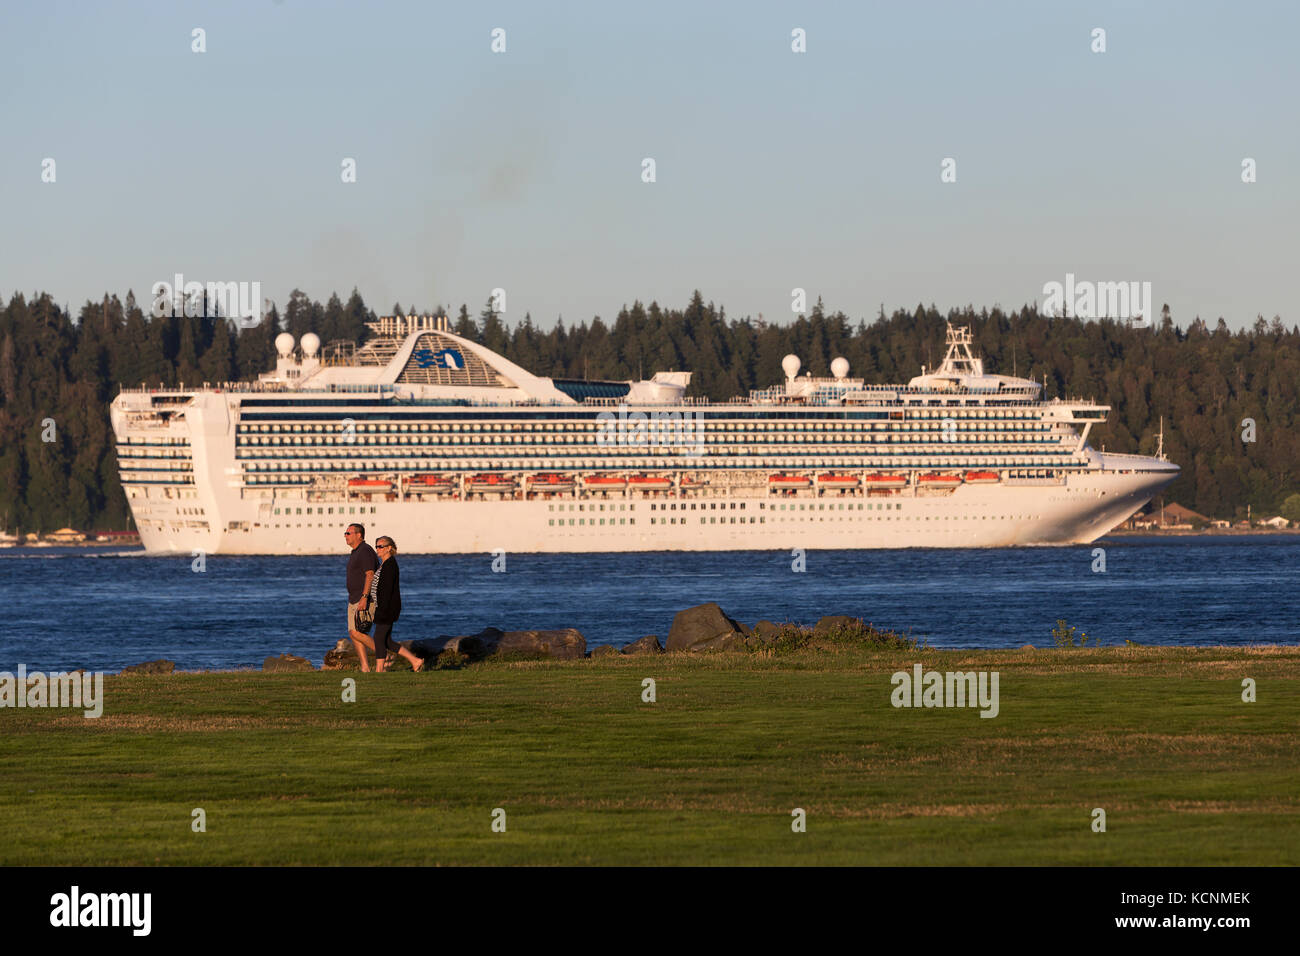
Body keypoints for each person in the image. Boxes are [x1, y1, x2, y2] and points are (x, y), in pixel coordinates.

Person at [370, 536, 424, 672]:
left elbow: (387, 591)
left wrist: (382, 610)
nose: (378, 549)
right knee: (387, 641)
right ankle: (415, 661)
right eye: (376, 546)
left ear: (389, 548)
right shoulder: (385, 564)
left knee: (378, 638)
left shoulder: (390, 565)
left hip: (386, 608)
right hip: (382, 607)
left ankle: (379, 670)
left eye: (381, 546)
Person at [344, 523, 379, 672]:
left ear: (359, 535)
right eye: (345, 533)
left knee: (356, 632)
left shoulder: (365, 551)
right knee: (354, 633)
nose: (345, 536)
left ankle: (385, 655)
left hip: (363, 598)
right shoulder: (356, 551)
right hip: (354, 598)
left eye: (348, 533)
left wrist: (365, 597)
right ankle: (365, 667)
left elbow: (370, 574)